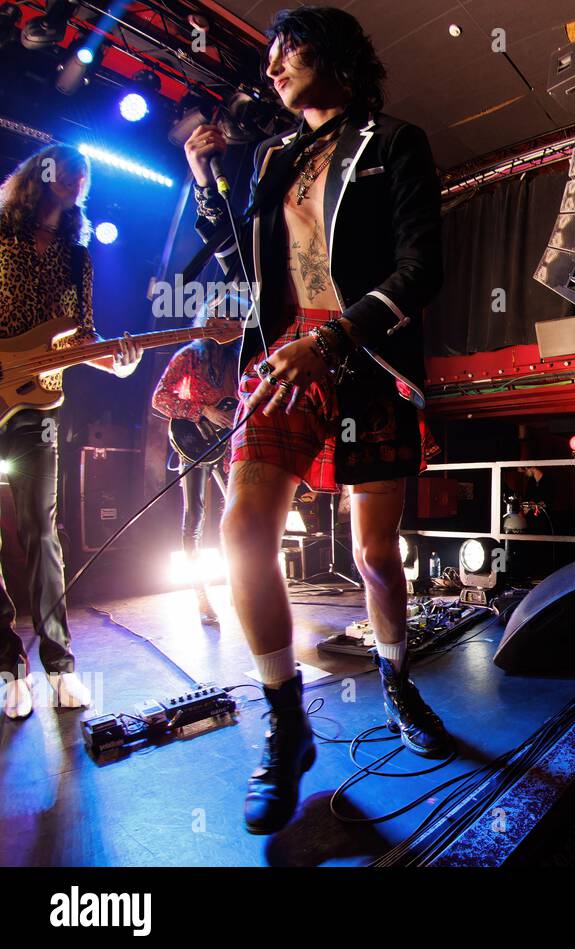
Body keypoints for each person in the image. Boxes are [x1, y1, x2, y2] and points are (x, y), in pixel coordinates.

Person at [182, 5, 445, 833]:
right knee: (240, 530)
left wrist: (335, 335)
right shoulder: (271, 158)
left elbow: (421, 268)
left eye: (285, 52)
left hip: (361, 357)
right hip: (283, 357)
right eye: (268, 58)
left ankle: (398, 680)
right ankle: (287, 721)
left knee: (373, 555)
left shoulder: (395, 143)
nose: (271, 70)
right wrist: (206, 184)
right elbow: (242, 266)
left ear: (332, 56)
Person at [0, 143, 143, 720]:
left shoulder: (76, 257)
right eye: (69, 167)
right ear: (42, 174)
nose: (80, 177)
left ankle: (60, 666)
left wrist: (119, 361)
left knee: (44, 533)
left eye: (86, 173)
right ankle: (10, 667)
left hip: (39, 408)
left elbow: (81, 337)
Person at [151, 333, 240, 625]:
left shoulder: (239, 358)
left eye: (235, 320)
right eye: (222, 320)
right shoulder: (190, 355)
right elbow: (160, 397)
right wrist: (203, 412)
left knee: (238, 515)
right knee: (195, 515)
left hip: (231, 442)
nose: (229, 326)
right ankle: (200, 594)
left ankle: (241, 589)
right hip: (194, 439)